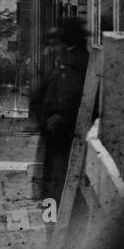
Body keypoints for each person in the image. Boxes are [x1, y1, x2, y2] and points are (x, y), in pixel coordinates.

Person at [38, 17, 88, 203]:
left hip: (63, 136)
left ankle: (54, 221)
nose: (50, 50)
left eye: (55, 42)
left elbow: (68, 98)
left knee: (58, 185)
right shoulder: (71, 61)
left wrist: (56, 117)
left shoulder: (72, 64)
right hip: (60, 133)